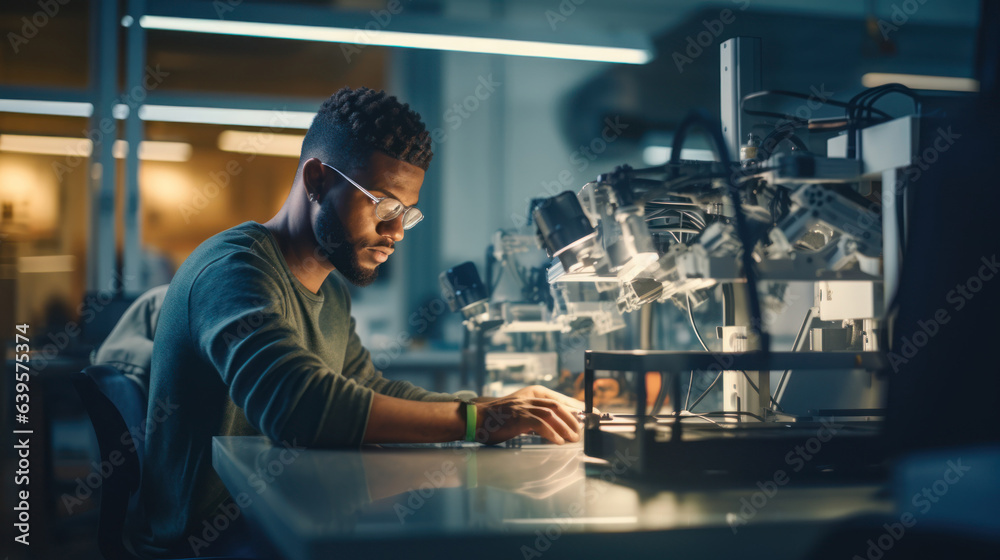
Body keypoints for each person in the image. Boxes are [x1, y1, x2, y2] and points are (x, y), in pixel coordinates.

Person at [130, 87, 583, 558]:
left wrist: (495, 407)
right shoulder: (231, 269)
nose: (397, 232)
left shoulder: (329, 291)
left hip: (272, 514)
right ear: (318, 181)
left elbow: (368, 387)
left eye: (408, 213)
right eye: (384, 207)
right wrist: (478, 420)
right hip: (208, 539)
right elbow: (295, 407)